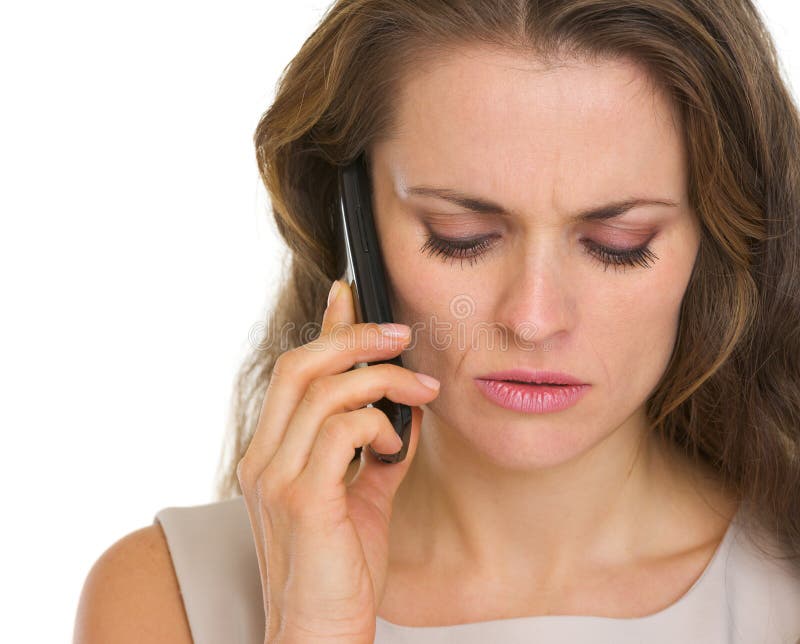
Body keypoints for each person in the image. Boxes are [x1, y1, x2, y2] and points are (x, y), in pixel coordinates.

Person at [74, 1, 800, 642]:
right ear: (354, 226)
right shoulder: (165, 601)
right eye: (461, 236)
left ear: (716, 240)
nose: (534, 318)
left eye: (619, 246)